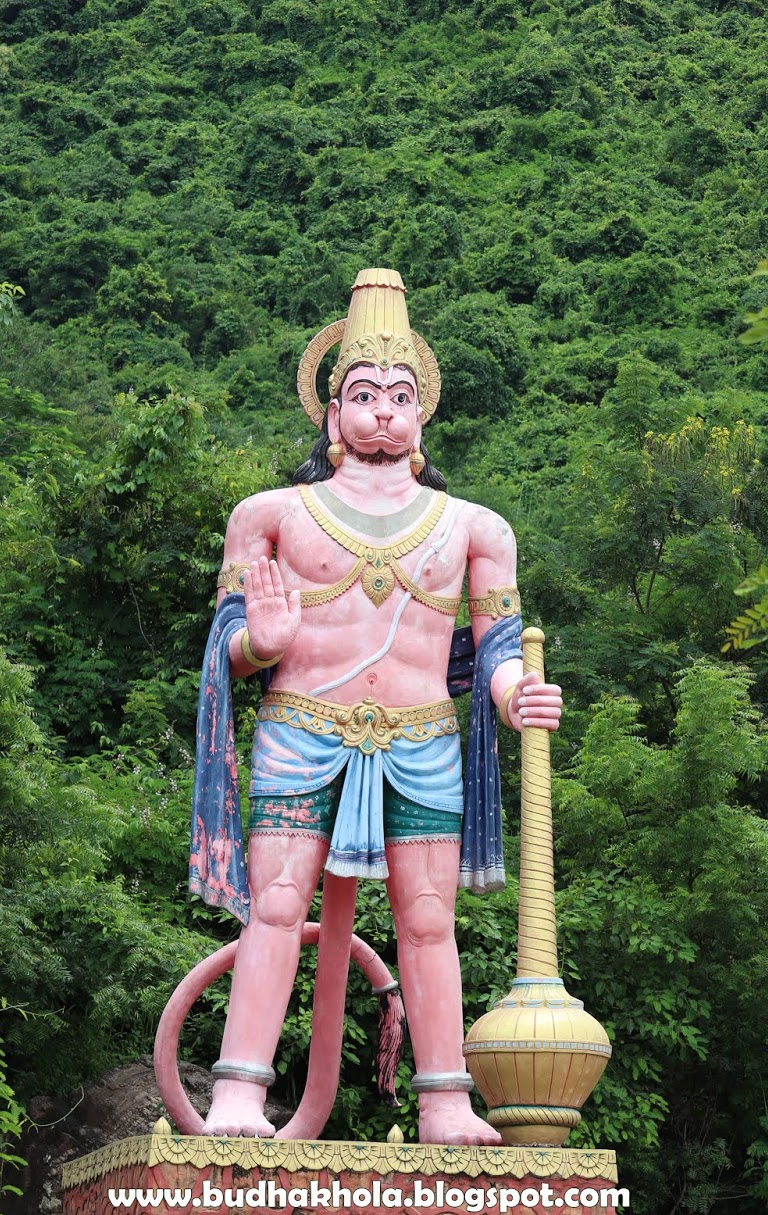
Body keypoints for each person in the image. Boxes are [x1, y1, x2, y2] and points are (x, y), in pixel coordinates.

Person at [188, 269, 562, 1145]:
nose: (384, 411)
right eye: (364, 394)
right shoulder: (270, 516)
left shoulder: (477, 527)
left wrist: (517, 698)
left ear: (423, 415)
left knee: (429, 922)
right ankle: (240, 1092)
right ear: (331, 414)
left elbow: (498, 650)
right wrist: (263, 643)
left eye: (400, 396)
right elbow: (228, 650)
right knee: (277, 905)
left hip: (423, 736)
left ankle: (444, 1101)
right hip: (299, 727)